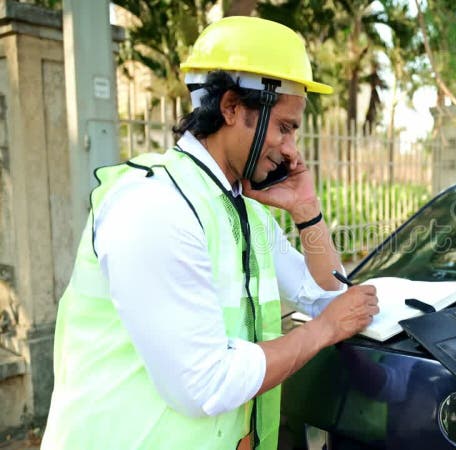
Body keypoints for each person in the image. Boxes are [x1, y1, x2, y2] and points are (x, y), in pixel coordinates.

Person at [41, 16, 379, 450]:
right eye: (285, 127)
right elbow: (205, 383)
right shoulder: (155, 207)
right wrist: (322, 331)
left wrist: (307, 211)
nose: (293, 149)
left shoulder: (243, 210)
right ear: (232, 108)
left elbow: (328, 294)